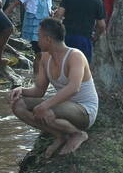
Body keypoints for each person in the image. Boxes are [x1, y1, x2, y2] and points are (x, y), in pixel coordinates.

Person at [10, 17, 99, 159]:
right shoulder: (45, 58)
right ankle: (60, 135)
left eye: (39, 36)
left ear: (48, 39)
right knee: (18, 104)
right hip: (63, 106)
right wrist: (21, 90)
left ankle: (77, 133)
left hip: (84, 110)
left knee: (47, 111)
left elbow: (74, 88)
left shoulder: (75, 56)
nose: (37, 39)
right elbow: (39, 90)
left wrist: (45, 105)